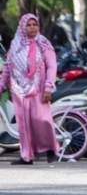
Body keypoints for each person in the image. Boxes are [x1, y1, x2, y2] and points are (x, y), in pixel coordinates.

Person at [0, 14, 59, 165]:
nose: (32, 27)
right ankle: (27, 155)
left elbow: (52, 65)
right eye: (29, 25)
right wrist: (1, 87)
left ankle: (51, 149)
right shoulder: (15, 45)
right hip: (19, 90)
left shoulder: (43, 43)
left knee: (42, 120)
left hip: (38, 89)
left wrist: (48, 87)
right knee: (23, 124)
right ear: (22, 27)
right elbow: (7, 67)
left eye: (35, 25)